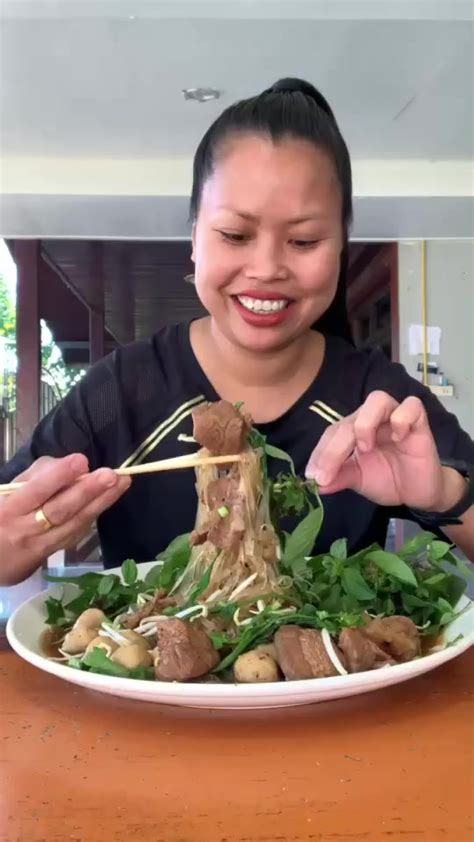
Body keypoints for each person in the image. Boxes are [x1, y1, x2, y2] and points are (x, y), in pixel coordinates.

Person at [1, 77, 473, 586]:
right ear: (194, 239)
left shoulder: (376, 398)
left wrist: (444, 495)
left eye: (303, 240)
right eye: (234, 234)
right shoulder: (122, 388)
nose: (266, 268)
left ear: (340, 246)